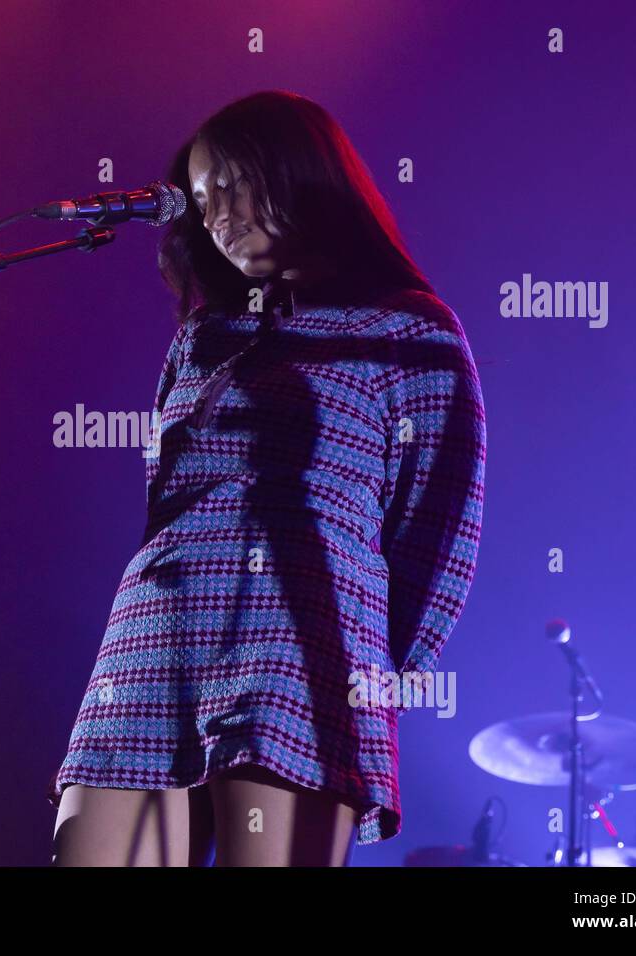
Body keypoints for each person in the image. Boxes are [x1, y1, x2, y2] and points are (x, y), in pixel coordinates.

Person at [47, 90, 487, 866]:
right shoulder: (202, 339)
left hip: (304, 649)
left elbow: (438, 531)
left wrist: (373, 683)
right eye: (200, 196)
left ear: (296, 170)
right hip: (150, 642)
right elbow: (166, 501)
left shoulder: (409, 329)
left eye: (231, 184)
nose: (213, 214)